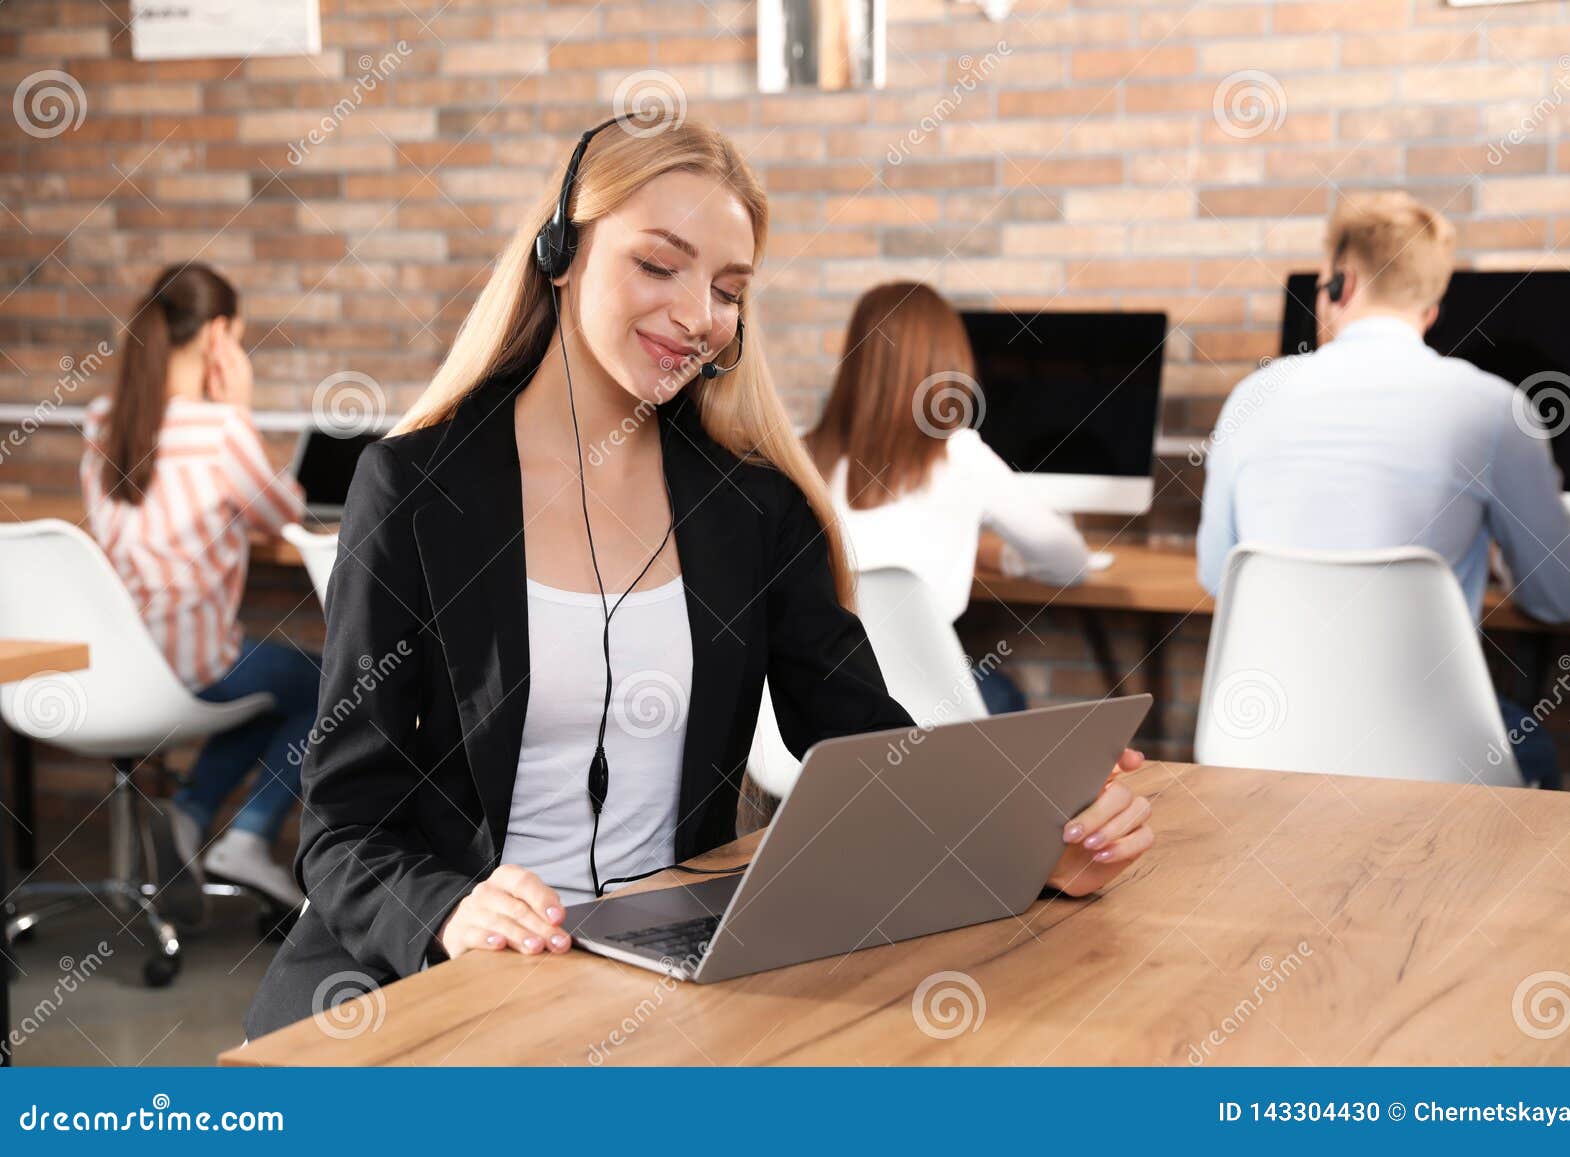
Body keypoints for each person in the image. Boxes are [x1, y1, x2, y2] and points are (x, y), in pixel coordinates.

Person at [244, 116, 1154, 1039]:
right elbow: (345, 822)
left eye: (728, 289)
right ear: (560, 252)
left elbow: (874, 755)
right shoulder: (416, 490)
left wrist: (1037, 835)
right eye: (658, 265)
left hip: (658, 986)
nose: (697, 316)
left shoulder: (754, 510)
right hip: (445, 973)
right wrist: (447, 908)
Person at [1197, 191, 1570, 787]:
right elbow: (1564, 600)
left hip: (1261, 745)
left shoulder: (1250, 397)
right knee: (1533, 743)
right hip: (1434, 761)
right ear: (1431, 309)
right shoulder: (1495, 409)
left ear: (1340, 283)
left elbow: (1217, 576)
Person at [82, 263, 320, 920]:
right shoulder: (219, 431)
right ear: (219, 337)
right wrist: (238, 411)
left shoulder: (101, 424)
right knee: (329, 682)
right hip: (193, 669)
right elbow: (286, 513)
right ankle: (246, 837)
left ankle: (187, 814)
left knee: (276, 686)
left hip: (116, 668)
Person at [806, 281, 1094, 714]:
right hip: (922, 714)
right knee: (1004, 695)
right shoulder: (961, 454)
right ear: (948, 365)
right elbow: (1070, 563)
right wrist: (1009, 559)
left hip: (814, 711)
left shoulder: (798, 453)